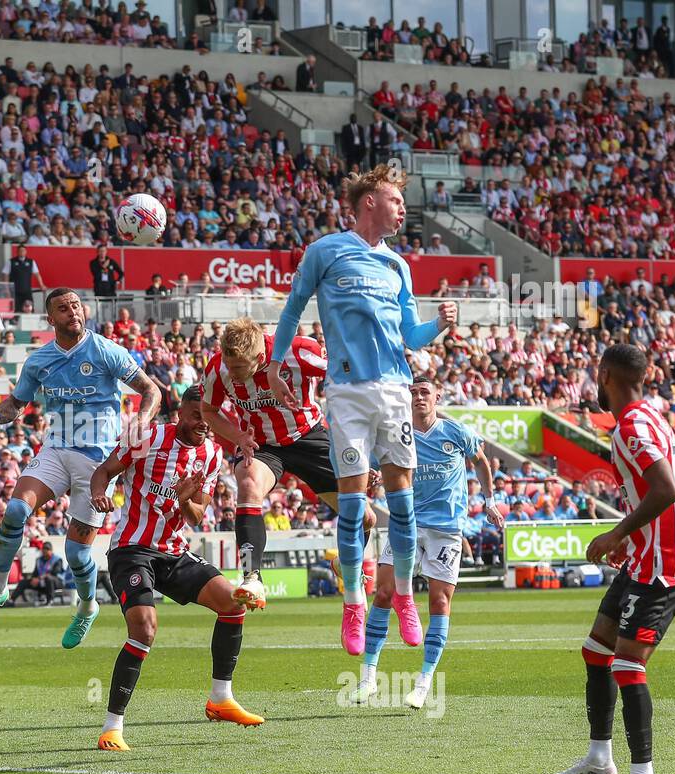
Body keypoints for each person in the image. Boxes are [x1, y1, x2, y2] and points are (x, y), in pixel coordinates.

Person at [267, 163, 456, 655]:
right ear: (369, 202)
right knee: (352, 501)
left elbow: (409, 337)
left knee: (402, 501)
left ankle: (403, 598)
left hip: (396, 390)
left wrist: (436, 325)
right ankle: (354, 602)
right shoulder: (325, 251)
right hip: (347, 392)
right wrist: (273, 364)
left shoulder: (399, 265)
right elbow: (292, 309)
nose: (402, 210)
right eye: (396, 201)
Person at [547, 345, 675, 774]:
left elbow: (670, 490)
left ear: (605, 373)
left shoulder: (632, 424)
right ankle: (599, 759)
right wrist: (633, 542)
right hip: (645, 558)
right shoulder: (652, 416)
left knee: (628, 663)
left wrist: (618, 534)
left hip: (662, 566)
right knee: (597, 649)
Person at [0, 288, 161, 648]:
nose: (72, 311)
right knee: (14, 510)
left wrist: (141, 420)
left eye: (75, 305)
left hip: (97, 462)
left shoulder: (106, 351)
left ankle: (88, 606)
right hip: (56, 450)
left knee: (76, 553)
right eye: (63, 308)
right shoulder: (40, 360)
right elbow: (17, 403)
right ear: (50, 319)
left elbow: (151, 390)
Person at [88, 387, 262, 751]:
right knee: (145, 628)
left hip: (173, 551)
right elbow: (104, 471)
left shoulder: (212, 454)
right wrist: (98, 494)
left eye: (209, 417)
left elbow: (196, 515)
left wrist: (184, 500)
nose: (204, 425)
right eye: (197, 416)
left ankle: (220, 699)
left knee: (232, 603)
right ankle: (112, 726)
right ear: (180, 412)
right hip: (132, 549)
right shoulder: (148, 438)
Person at [348, 378, 502, 709]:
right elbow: (373, 468)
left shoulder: (455, 432)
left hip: (446, 529)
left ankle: (423, 682)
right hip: (406, 524)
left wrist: (490, 500)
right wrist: (374, 478)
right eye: (414, 393)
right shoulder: (395, 435)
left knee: (439, 602)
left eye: (424, 393)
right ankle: (367, 677)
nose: (419, 397)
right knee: (384, 592)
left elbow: (482, 461)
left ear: (436, 398)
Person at [200, 317, 374, 609]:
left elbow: (345, 375)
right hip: (261, 443)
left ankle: (345, 561)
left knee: (365, 517)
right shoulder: (219, 368)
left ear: (259, 356)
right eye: (229, 366)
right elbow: (209, 410)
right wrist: (238, 435)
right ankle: (251, 577)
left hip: (309, 437)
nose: (232, 373)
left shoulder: (298, 352)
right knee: (248, 483)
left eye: (240, 368)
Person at [11, 540, 65, 606]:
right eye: (44, 549)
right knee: (23, 582)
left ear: (51, 550)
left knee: (49, 579)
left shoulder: (57, 560)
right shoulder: (39, 560)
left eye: (47, 549)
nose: (45, 550)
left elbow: (55, 572)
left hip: (56, 582)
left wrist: (40, 578)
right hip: (41, 582)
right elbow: (35, 573)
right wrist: (34, 579)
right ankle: (12, 600)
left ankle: (50, 601)